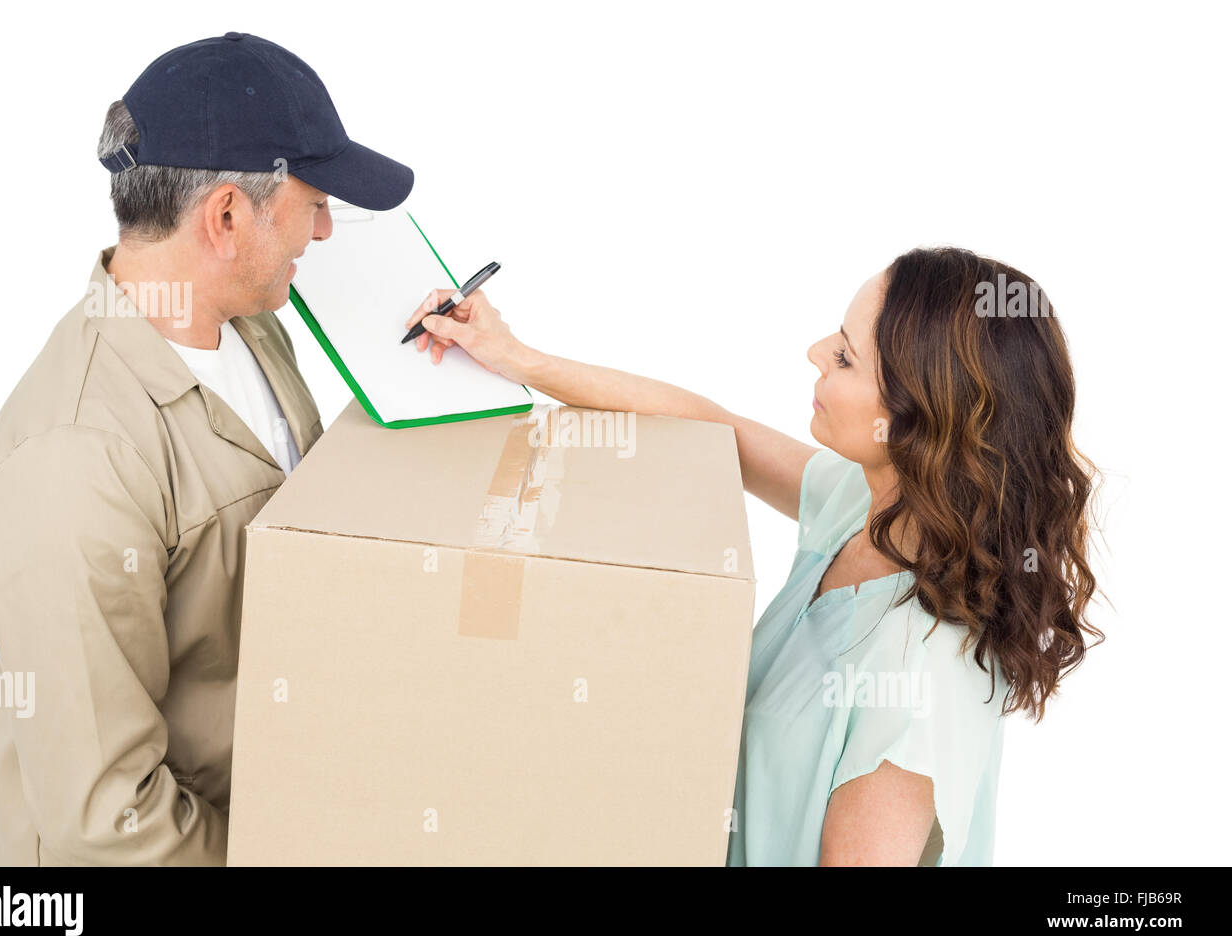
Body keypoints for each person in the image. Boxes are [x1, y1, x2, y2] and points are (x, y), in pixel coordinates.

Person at [404, 246, 1104, 865]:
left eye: (844, 356)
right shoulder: (864, 510)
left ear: (915, 418)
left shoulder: (916, 679)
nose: (813, 351)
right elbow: (717, 431)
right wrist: (516, 357)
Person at [0, 32, 412, 865]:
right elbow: (107, 824)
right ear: (225, 217)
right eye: (314, 202)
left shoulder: (250, 326)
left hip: (277, 802)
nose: (323, 231)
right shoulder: (72, 458)